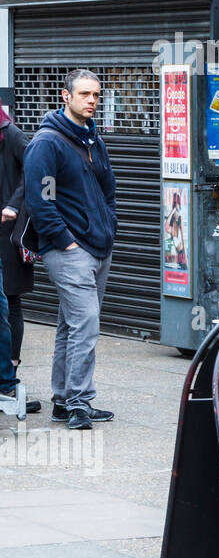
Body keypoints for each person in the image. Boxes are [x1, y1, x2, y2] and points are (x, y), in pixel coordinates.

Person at [23, 69, 117, 429]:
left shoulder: (94, 140)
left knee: (71, 324)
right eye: (84, 94)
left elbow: (108, 189)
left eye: (96, 95)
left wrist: (109, 224)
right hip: (68, 249)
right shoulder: (47, 143)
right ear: (66, 96)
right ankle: (79, 402)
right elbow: (40, 200)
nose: (92, 100)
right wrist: (66, 241)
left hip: (98, 244)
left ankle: (63, 400)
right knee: (87, 323)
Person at [0, 102, 35, 414]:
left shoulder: (12, 135)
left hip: (7, 235)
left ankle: (9, 379)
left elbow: (34, 172)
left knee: (10, 302)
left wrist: (13, 204)